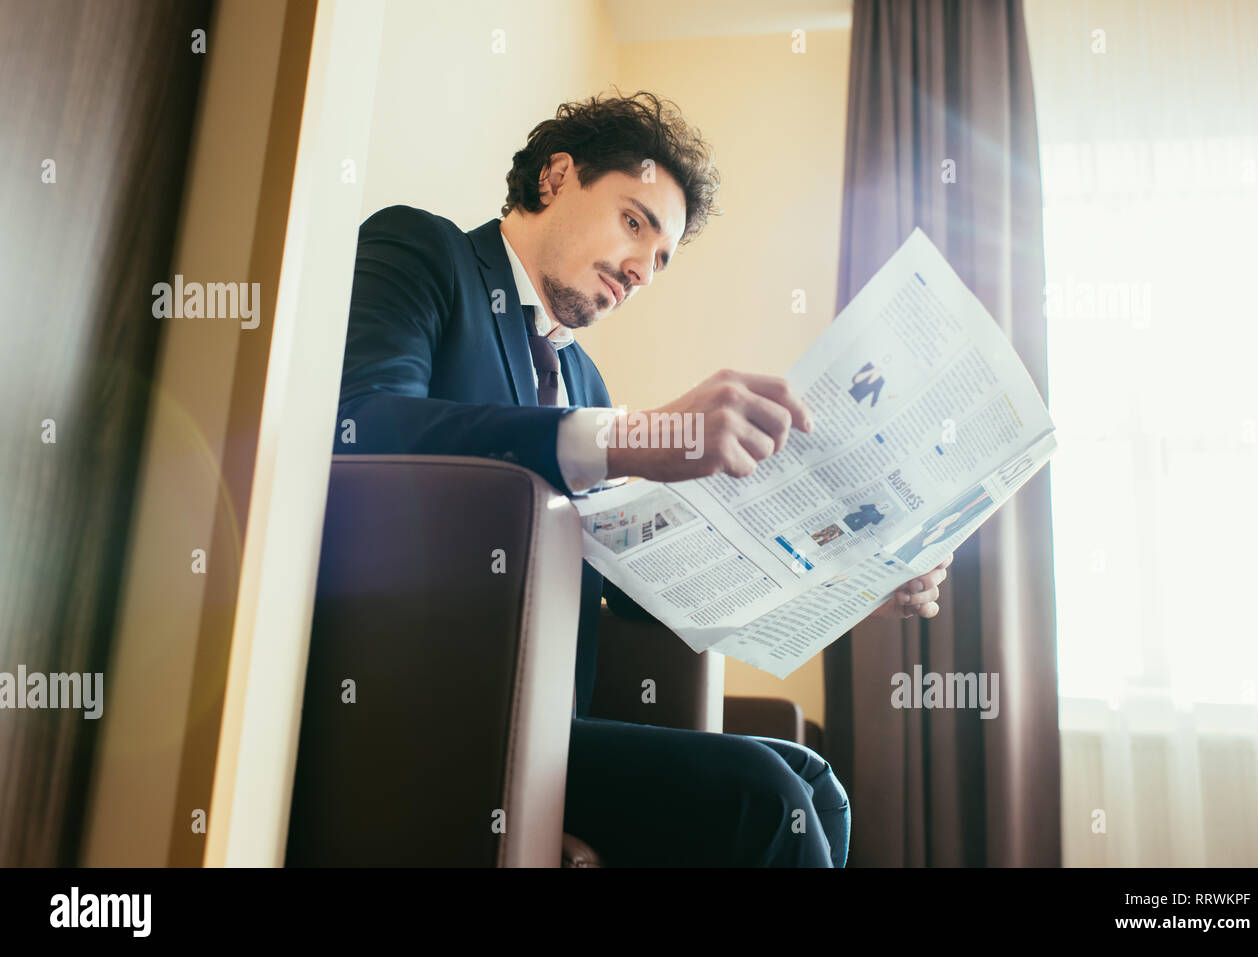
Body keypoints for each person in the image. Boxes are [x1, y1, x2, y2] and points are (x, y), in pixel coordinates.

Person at [333, 90, 952, 866]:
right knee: (765, 799)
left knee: (815, 783)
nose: (641, 271)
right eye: (635, 223)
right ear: (556, 177)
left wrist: (849, 581)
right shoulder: (422, 253)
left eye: (661, 258)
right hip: (424, 708)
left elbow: (631, 585)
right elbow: (361, 426)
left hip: (548, 727)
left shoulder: (584, 380)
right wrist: (636, 434)